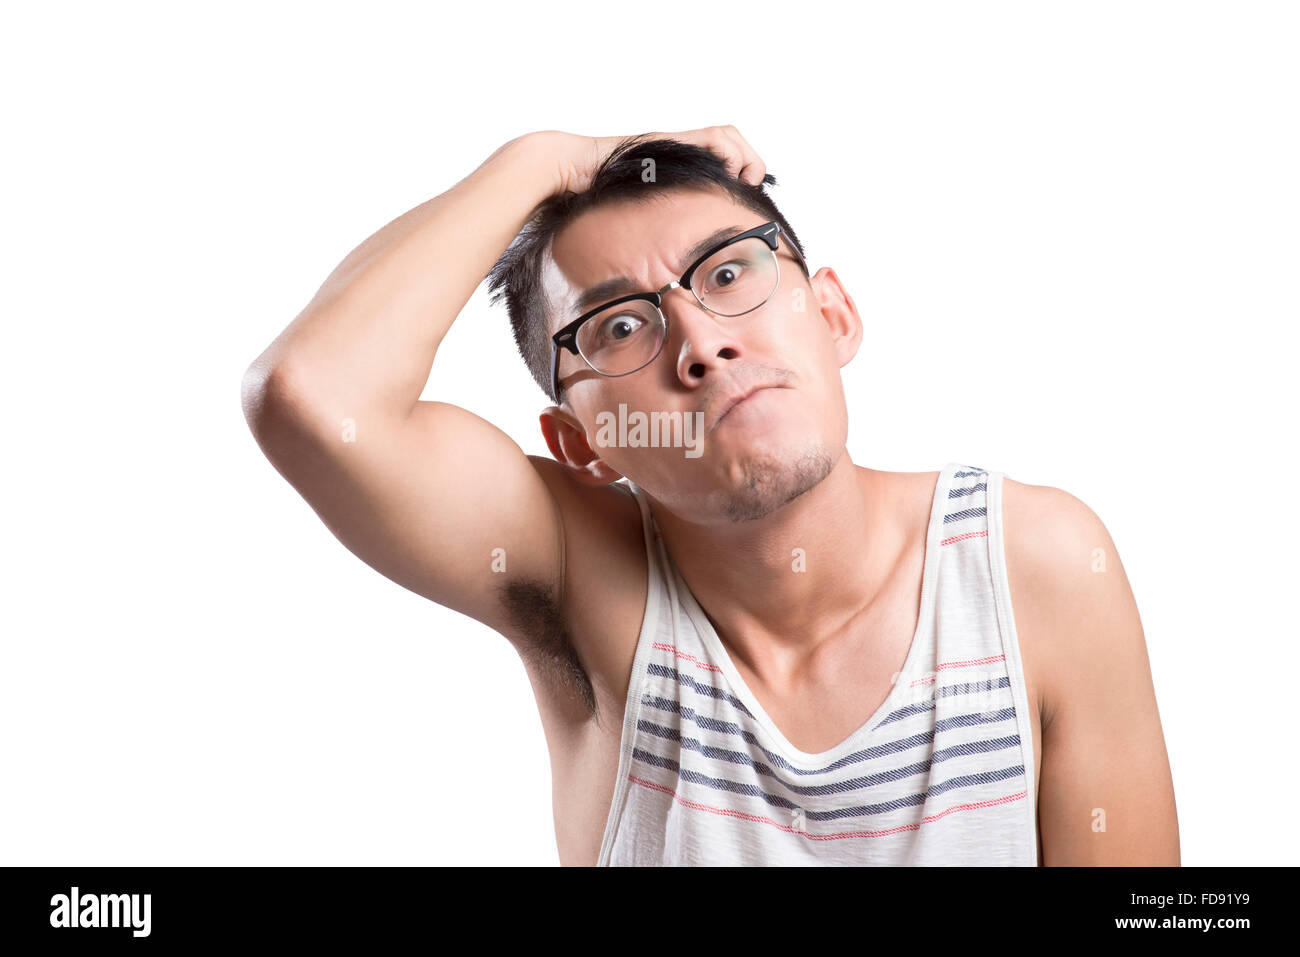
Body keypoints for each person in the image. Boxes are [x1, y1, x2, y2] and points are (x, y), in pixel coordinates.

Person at [241, 126, 1179, 866]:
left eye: (728, 272)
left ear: (835, 314)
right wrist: (542, 158)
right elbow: (312, 395)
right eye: (617, 326)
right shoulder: (582, 578)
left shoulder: (1032, 565)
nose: (700, 342)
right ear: (584, 445)